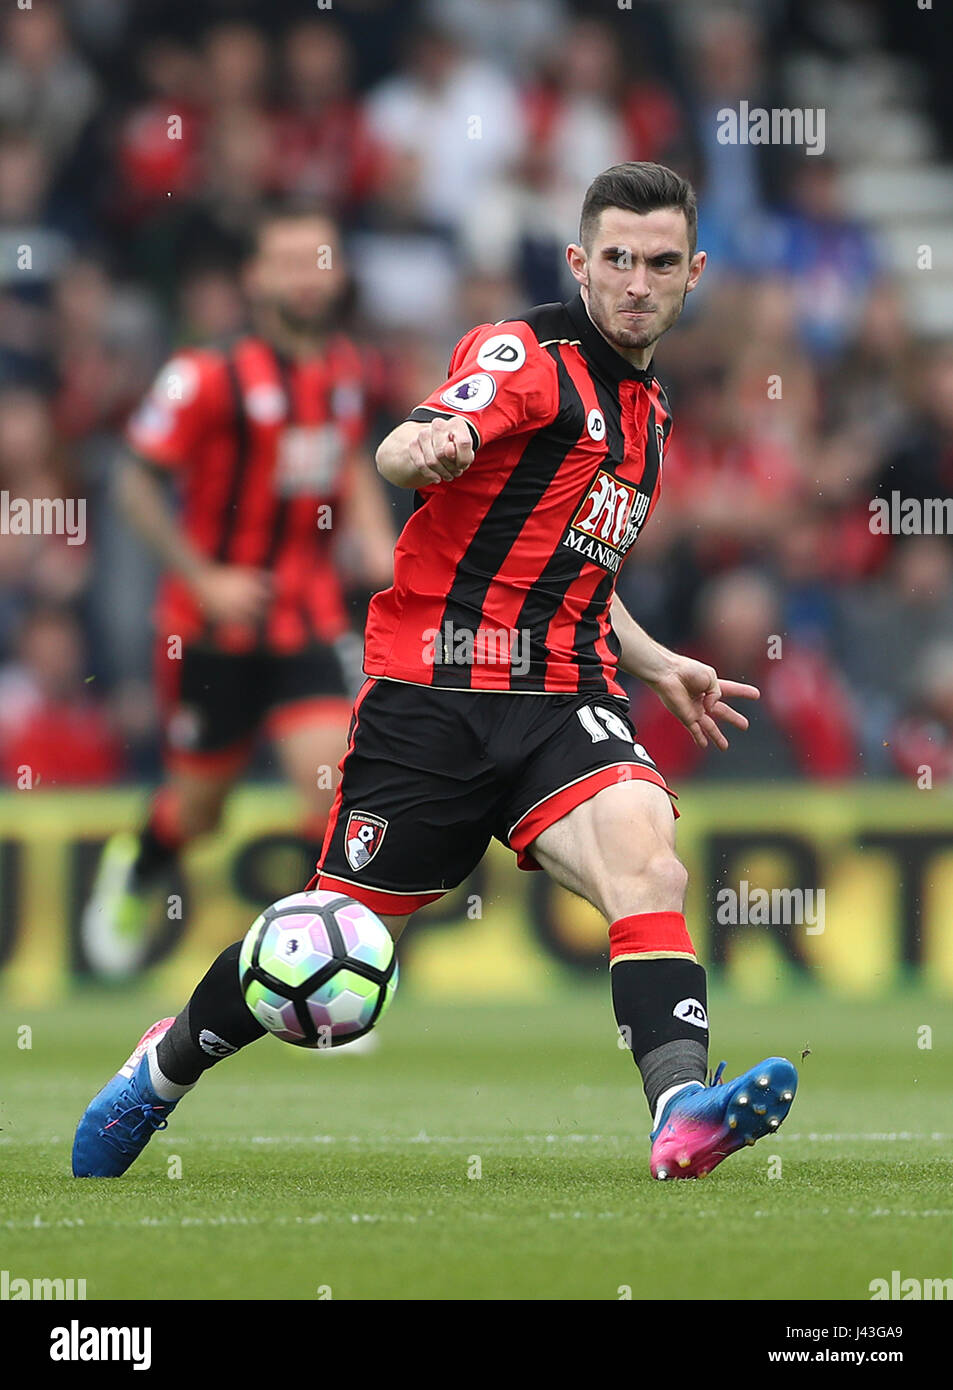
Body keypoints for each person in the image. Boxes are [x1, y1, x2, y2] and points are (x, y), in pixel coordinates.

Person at [73, 163, 797, 1181]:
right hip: (437, 693)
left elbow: (574, 567)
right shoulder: (526, 356)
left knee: (648, 859)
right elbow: (404, 447)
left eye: (661, 262)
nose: (637, 281)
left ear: (693, 273)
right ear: (579, 264)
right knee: (321, 945)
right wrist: (435, 443)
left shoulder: (647, 412)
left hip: (561, 693)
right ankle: (163, 1068)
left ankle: (678, 1111)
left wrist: (657, 658)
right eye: (618, 259)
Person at [80, 205, 394, 977]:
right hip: (211, 627)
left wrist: (377, 538)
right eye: (288, 261)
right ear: (254, 278)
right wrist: (205, 578)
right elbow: (133, 483)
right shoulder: (206, 373)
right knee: (199, 810)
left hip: (306, 618)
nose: (307, 277)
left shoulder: (349, 368)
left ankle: (326, 972)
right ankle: (140, 861)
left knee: (331, 791)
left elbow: (349, 458)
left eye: (319, 260)